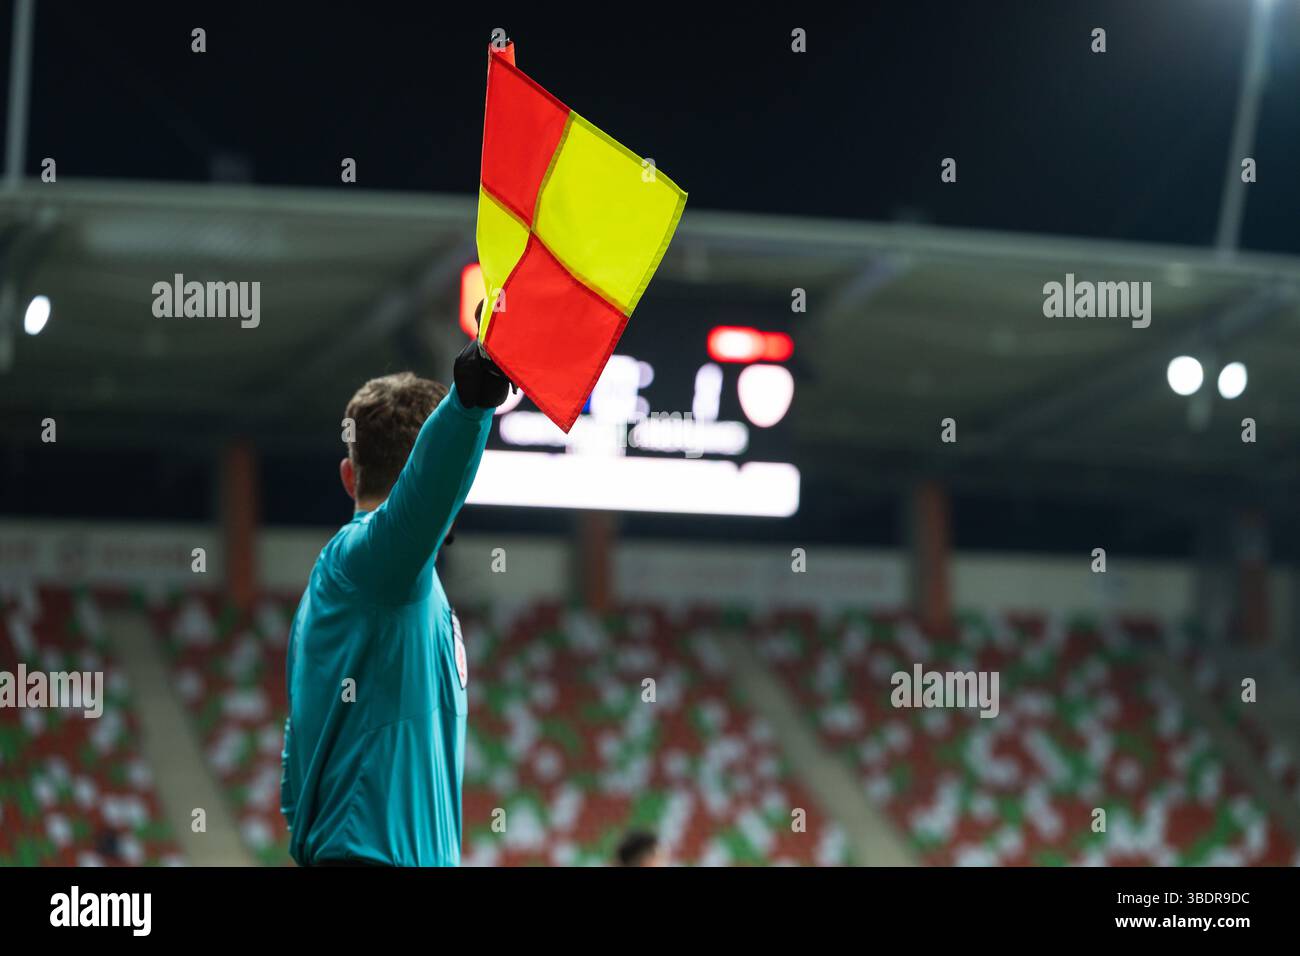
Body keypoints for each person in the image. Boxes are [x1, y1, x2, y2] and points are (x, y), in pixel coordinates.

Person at [281, 310, 511, 866]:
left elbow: (294, 789)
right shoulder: (371, 563)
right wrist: (474, 393)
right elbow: (423, 500)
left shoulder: (346, 592)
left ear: (348, 473)